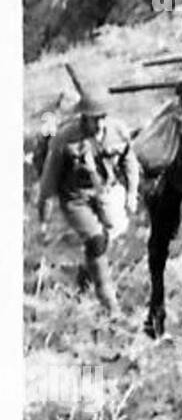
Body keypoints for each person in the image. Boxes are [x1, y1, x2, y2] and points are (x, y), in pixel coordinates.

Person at [36, 88, 141, 315]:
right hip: (76, 198)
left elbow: (129, 162)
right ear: (84, 117)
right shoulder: (64, 139)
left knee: (109, 235)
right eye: (95, 119)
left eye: (103, 117)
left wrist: (132, 193)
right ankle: (110, 303)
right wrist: (43, 219)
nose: (100, 124)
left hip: (106, 192)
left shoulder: (118, 131)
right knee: (95, 239)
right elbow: (48, 181)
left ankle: (85, 277)